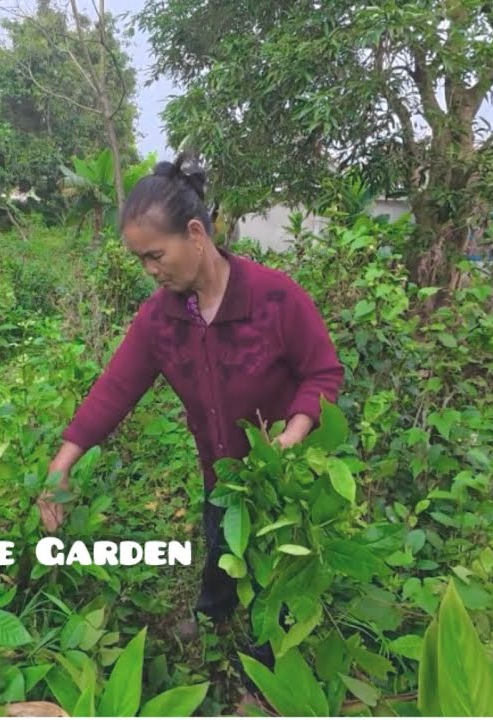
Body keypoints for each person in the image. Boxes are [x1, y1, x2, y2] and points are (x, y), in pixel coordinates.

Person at [36, 152, 344, 696]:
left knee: (272, 572)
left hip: (280, 479)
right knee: (219, 539)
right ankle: (211, 616)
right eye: (140, 260)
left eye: (155, 255)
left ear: (196, 233)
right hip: (220, 473)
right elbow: (116, 388)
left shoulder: (274, 298)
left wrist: (293, 434)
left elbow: (321, 372)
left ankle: (266, 675)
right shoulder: (163, 316)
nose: (151, 270)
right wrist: (63, 462)